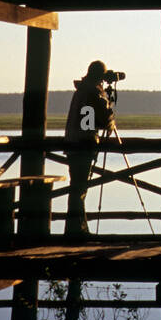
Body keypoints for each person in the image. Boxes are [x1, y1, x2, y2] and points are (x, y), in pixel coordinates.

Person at [64, 59, 116, 239]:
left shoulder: (81, 91)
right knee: (80, 189)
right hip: (83, 145)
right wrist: (108, 105)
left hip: (73, 143)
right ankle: (77, 231)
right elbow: (101, 120)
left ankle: (76, 229)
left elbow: (88, 119)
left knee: (77, 188)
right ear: (100, 77)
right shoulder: (93, 93)